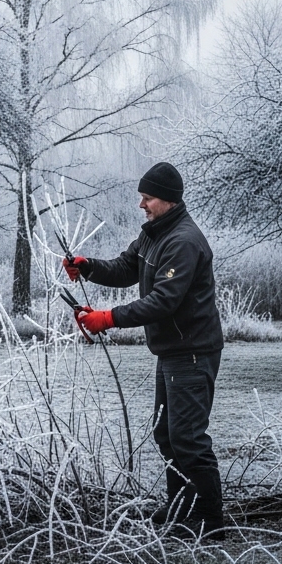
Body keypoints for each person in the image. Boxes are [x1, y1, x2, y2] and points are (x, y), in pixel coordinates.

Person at [62, 162, 226, 539]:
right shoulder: (155, 234)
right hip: (172, 351)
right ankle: (182, 506)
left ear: (167, 200)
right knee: (167, 435)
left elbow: (162, 301)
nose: (141, 204)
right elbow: (124, 268)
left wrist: (108, 318)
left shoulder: (183, 241)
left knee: (188, 438)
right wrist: (87, 267)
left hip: (193, 351)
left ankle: (210, 522)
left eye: (147, 197)